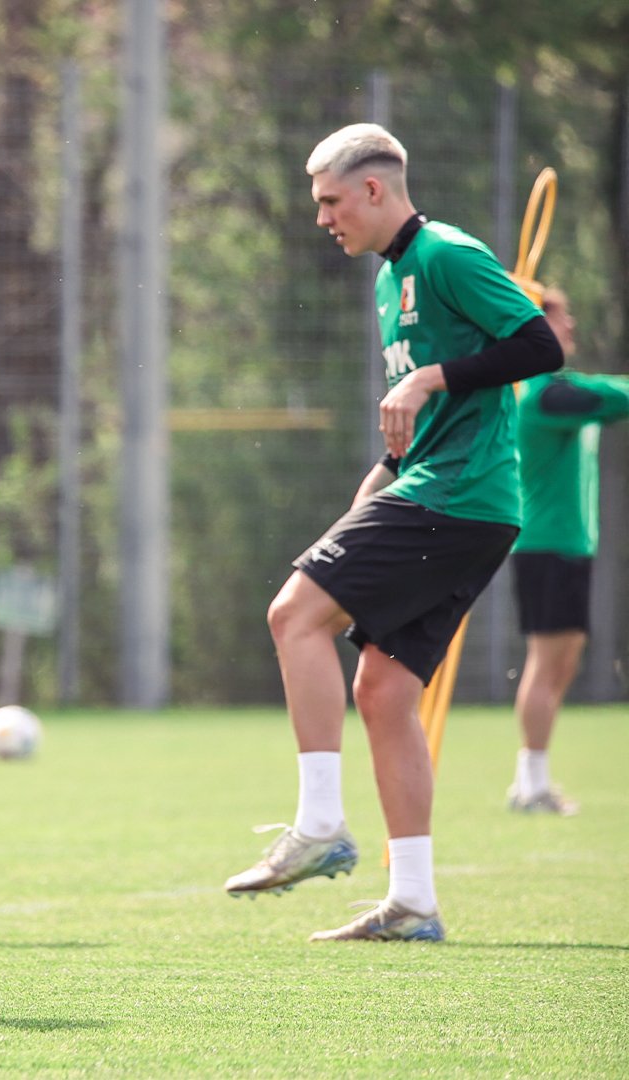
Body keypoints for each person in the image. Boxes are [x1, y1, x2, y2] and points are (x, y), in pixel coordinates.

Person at [223, 124, 561, 941]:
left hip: (462, 493)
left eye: (331, 201)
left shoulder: (445, 254)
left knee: (293, 615)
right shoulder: (387, 283)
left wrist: (433, 376)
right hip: (446, 493)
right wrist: (374, 483)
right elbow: (417, 416)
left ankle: (319, 826)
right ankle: (413, 901)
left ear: (374, 190)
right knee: (383, 692)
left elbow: (540, 345)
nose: (323, 218)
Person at [508, 287, 629, 815]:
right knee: (546, 661)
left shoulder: (555, 390)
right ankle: (531, 784)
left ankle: (532, 779)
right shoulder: (543, 394)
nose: (572, 326)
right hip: (544, 545)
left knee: (561, 663)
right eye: (560, 319)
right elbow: (615, 398)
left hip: (568, 545)